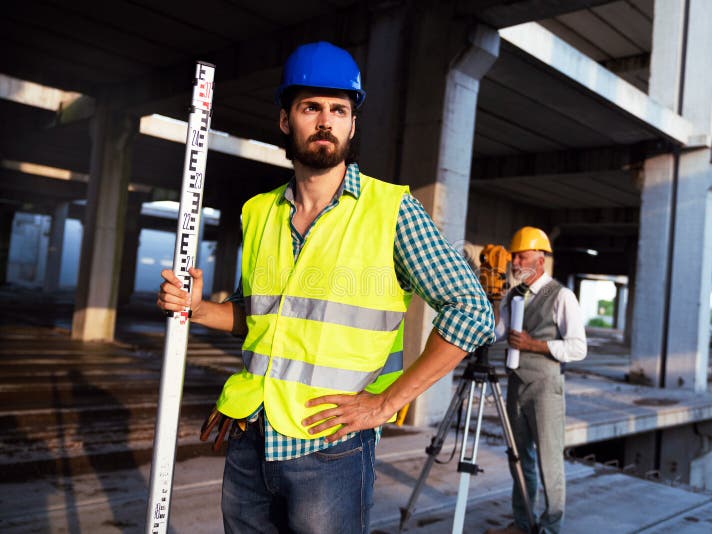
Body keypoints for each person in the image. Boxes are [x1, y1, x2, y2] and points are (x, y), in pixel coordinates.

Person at [156, 41, 494, 534]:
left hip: (330, 448)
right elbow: (263, 318)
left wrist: (387, 403)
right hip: (250, 435)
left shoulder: (392, 211)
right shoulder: (258, 212)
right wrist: (200, 308)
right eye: (310, 107)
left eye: (338, 109)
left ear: (352, 125)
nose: (325, 121)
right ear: (285, 120)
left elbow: (471, 309)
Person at [489, 227, 587, 534]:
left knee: (549, 461)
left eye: (522, 257)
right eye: (514, 257)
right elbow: (497, 333)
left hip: (546, 387)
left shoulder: (562, 296)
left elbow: (578, 348)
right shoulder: (513, 295)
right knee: (519, 459)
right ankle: (523, 523)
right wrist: (493, 299)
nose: (515, 263)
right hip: (516, 384)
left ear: (540, 260)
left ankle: (551, 527)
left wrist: (534, 345)